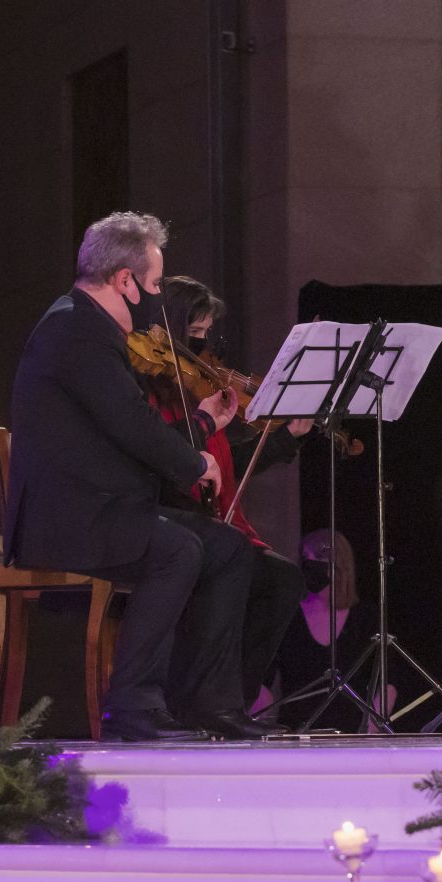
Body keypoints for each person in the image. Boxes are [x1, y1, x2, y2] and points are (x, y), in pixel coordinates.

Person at [2, 212, 258, 742]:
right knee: (178, 550)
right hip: (67, 519)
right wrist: (197, 462)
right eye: (156, 284)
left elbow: (125, 428)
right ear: (125, 279)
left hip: (101, 508)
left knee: (229, 549)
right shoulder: (75, 328)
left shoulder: (88, 326)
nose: (159, 295)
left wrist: (203, 428)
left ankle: (206, 705)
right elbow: (130, 425)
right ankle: (135, 705)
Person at [140, 275, 308, 714]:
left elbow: (228, 459)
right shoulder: (147, 385)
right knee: (231, 557)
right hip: (166, 514)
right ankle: (199, 703)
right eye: (194, 335)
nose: (204, 351)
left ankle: (237, 700)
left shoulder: (196, 387)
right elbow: (160, 460)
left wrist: (287, 434)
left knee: (283, 579)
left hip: (207, 517)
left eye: (207, 336)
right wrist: (202, 421)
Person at [268, 530, 380, 733]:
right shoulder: (289, 615)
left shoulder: (366, 618)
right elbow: (262, 681)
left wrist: (370, 729)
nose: (310, 564)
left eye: (319, 558)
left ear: (340, 565)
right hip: (296, 732)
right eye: (305, 558)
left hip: (351, 734)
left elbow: (385, 682)